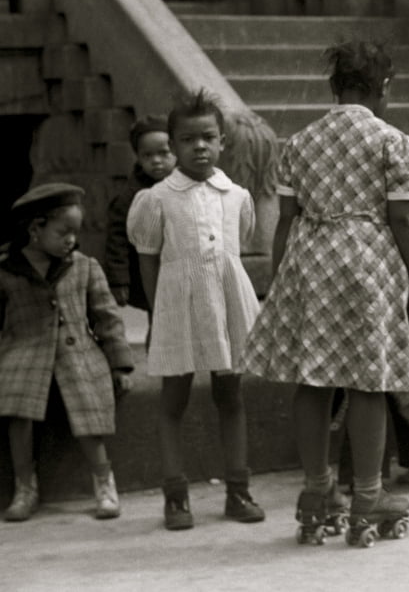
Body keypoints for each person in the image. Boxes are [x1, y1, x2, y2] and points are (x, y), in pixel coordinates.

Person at [240, 41, 409, 544]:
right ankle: (368, 494)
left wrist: (282, 279)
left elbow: (284, 221)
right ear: (384, 88)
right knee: (367, 381)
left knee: (314, 376)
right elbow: (405, 219)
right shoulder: (393, 141)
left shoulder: (300, 142)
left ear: (335, 87)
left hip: (310, 260)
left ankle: (316, 489)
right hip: (368, 265)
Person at [127, 90, 264, 530]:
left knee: (231, 395)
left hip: (227, 304)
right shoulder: (156, 199)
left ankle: (238, 490)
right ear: (173, 144)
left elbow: (235, 249)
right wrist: (157, 314)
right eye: (187, 140)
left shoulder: (237, 196)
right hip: (177, 308)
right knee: (173, 399)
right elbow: (148, 257)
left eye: (208, 137)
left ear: (222, 141)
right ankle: (175, 496)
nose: (199, 146)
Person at [1, 183, 133, 522]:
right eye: (64, 232)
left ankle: (104, 481)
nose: (71, 239)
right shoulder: (6, 270)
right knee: (18, 412)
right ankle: (25, 486)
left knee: (87, 408)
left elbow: (106, 317)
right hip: (22, 350)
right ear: (35, 229)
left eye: (76, 232)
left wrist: (120, 365)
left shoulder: (84, 266)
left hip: (77, 352)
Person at [104, 114, 176, 314]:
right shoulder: (130, 195)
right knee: (159, 318)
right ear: (138, 156)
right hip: (148, 271)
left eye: (164, 153)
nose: (156, 161)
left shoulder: (186, 185)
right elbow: (116, 239)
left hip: (181, 266)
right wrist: (119, 281)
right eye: (147, 155)